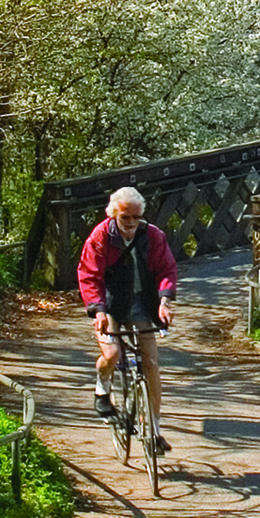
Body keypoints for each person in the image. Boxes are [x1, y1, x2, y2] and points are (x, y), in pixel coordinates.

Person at [75, 185, 176, 449]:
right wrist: (98, 311)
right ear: (113, 215)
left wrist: (164, 302)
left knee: (151, 363)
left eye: (135, 217)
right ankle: (102, 388)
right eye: (125, 217)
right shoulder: (100, 237)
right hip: (109, 303)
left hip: (140, 302)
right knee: (112, 354)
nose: (131, 222)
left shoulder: (153, 236)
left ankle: (154, 431)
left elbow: (166, 269)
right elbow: (89, 275)